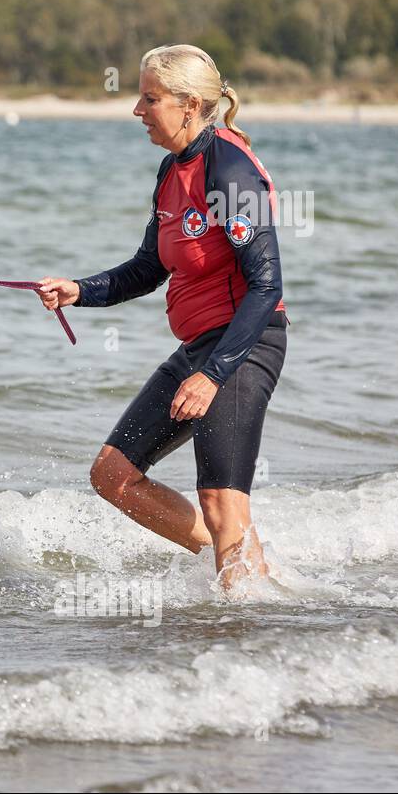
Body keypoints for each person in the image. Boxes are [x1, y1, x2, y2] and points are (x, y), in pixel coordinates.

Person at [36, 44, 287, 590]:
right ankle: (244, 570)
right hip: (201, 347)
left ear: (190, 104)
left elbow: (267, 287)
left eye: (150, 99)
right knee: (113, 475)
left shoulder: (230, 170)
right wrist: (79, 290)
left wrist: (212, 375)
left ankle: (244, 610)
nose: (137, 110)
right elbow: (149, 267)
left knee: (221, 499)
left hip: (243, 346)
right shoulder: (173, 169)